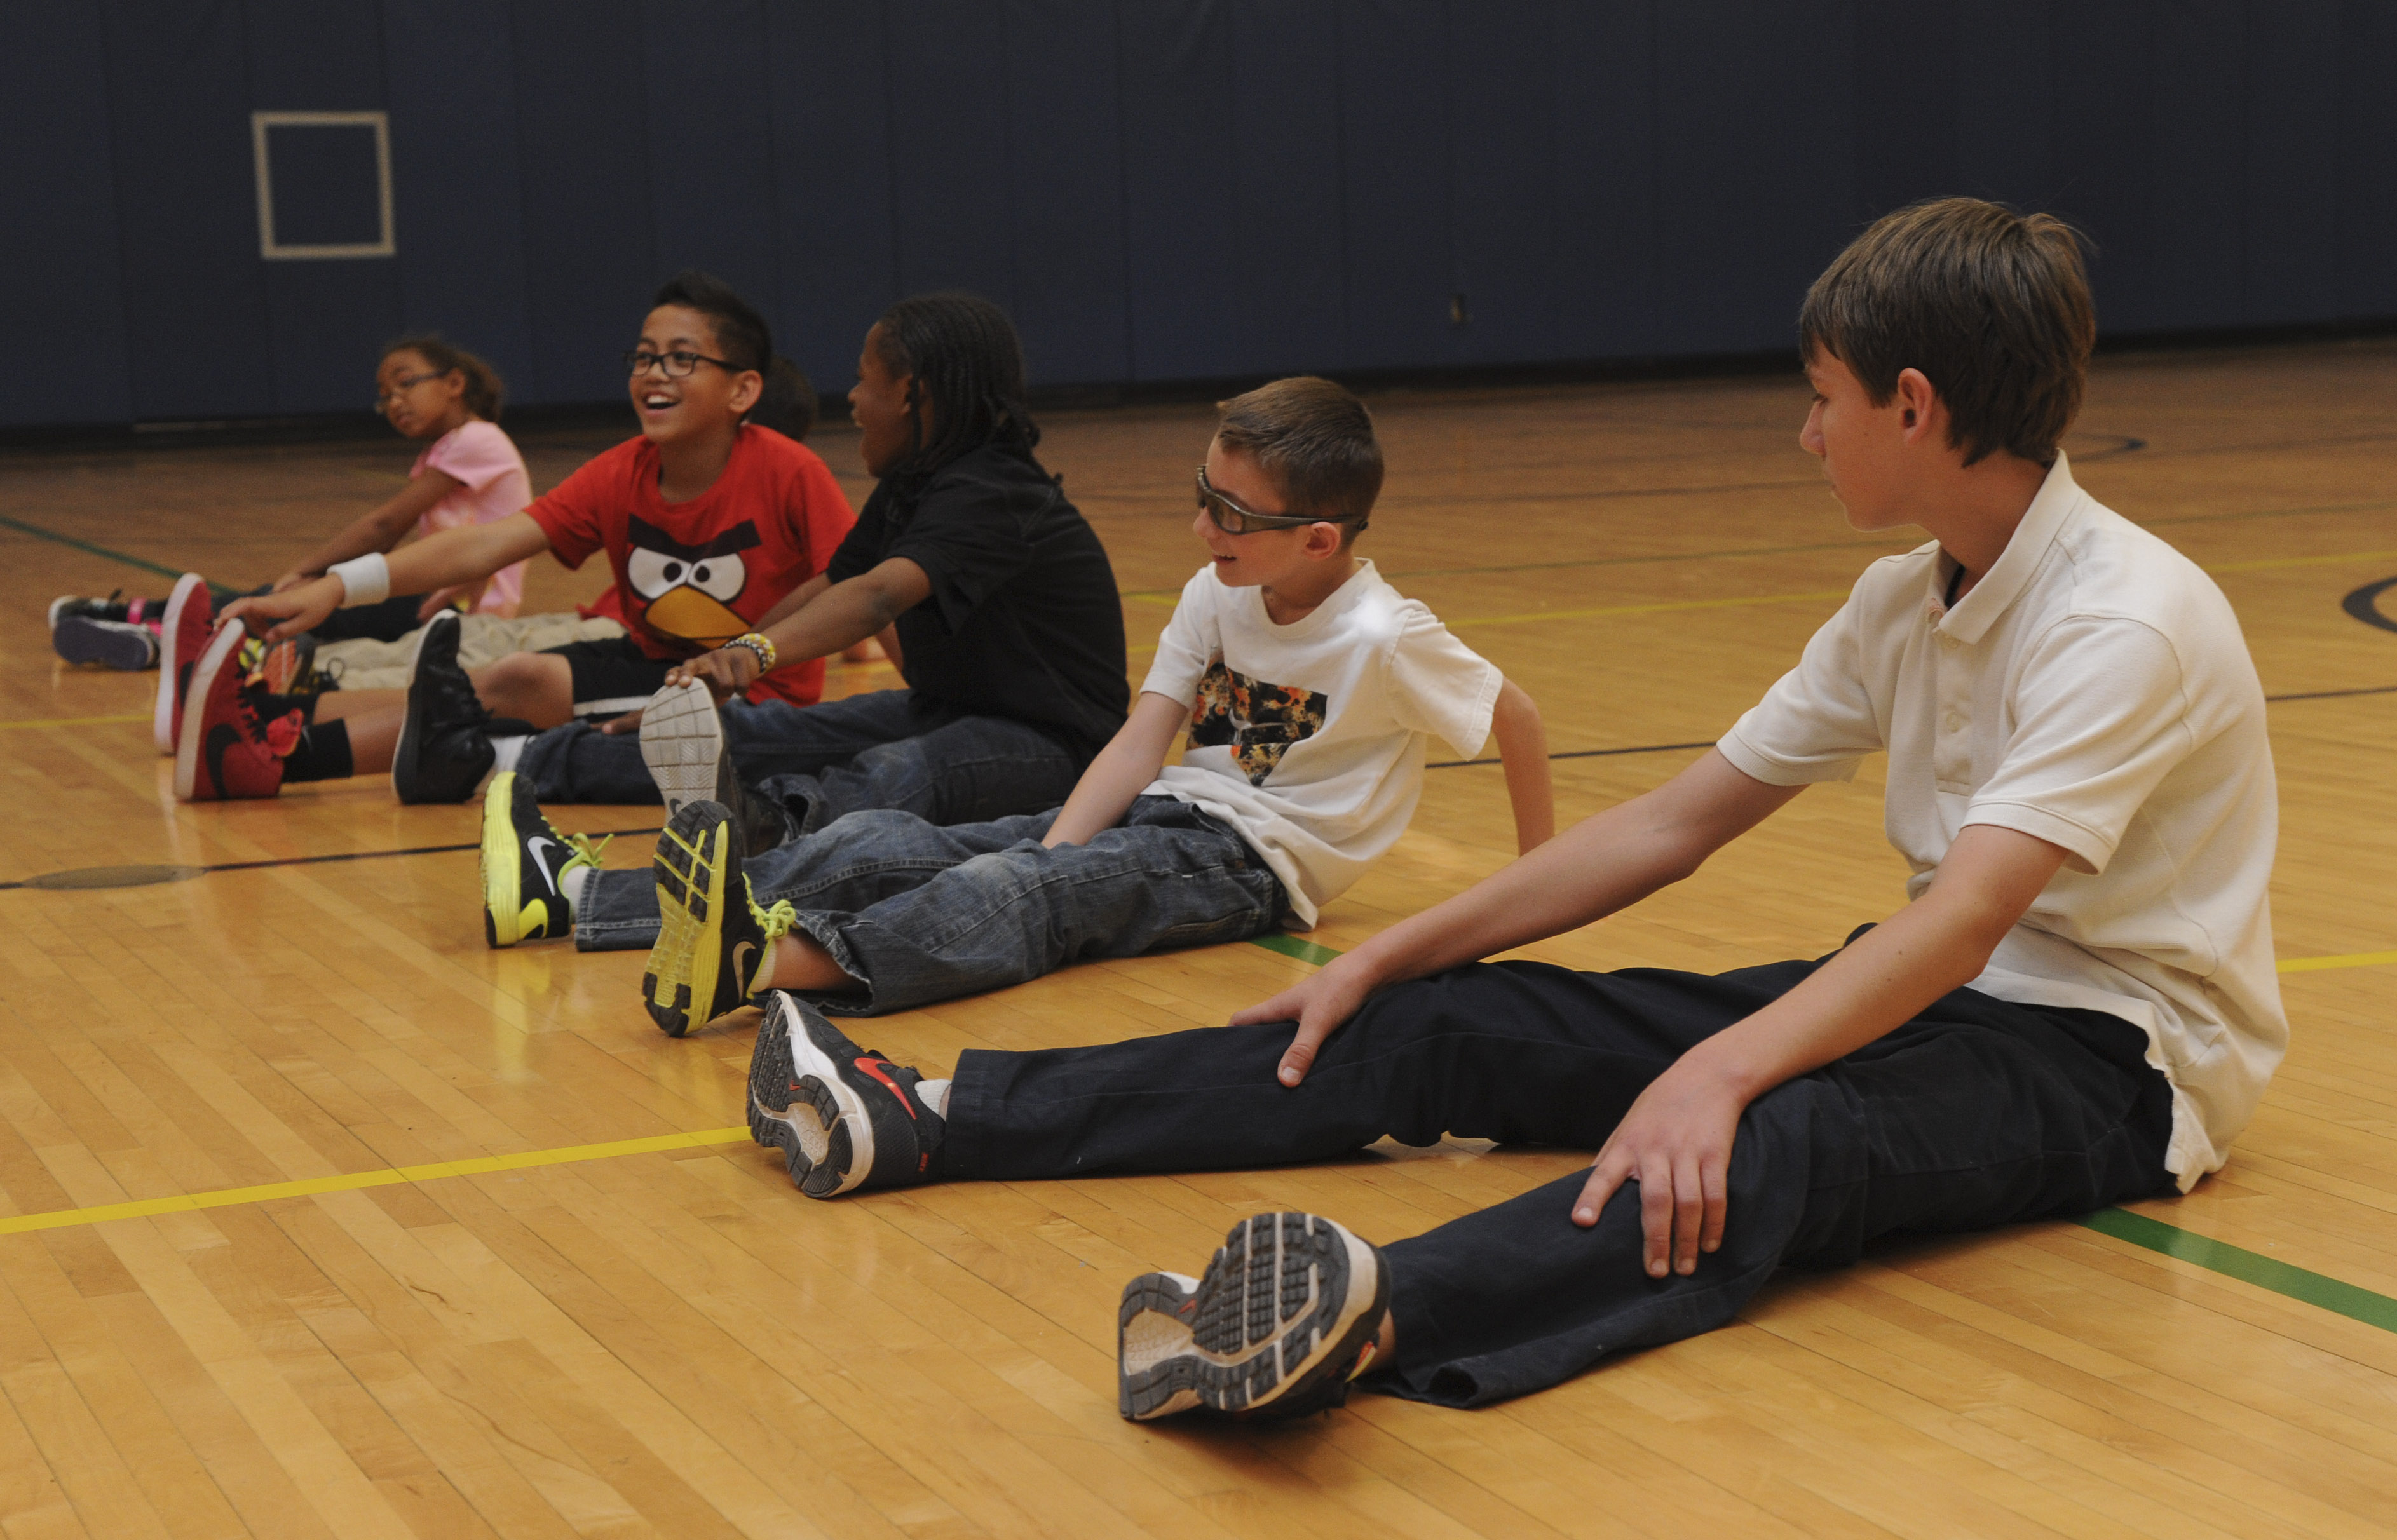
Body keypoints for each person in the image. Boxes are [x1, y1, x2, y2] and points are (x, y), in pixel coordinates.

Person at [717, 199, 2283, 1424]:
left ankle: (1359, 1314)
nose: (1803, 431)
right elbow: (1669, 825)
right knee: (1421, 1027)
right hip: (1941, 993)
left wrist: (1713, 1071)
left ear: (1915, 405)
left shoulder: (2120, 620)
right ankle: (929, 1114)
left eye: (1819, 399)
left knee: (1760, 1135)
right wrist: (1389, 957)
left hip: (2113, 1057)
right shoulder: (1899, 598)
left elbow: (1964, 922)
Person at [588, 374, 1552, 1036]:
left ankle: (756, 966)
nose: (1200, 525)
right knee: (905, 838)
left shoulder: (1387, 632)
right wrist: (1054, 845)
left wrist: (1538, 882)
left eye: (1230, 515)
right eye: (1202, 494)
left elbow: (1517, 716)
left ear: (1317, 539)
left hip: (1249, 867)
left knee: (1020, 900)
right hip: (1165, 806)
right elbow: (1141, 741)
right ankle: (652, 904)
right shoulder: (1214, 589)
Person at [479, 293, 1132, 950]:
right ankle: (498, 756)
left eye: (862, 379)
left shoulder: (995, 491)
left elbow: (875, 597)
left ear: (910, 393)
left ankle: (623, 879)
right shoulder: (915, 485)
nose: (850, 399)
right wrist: (720, 665)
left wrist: (753, 653)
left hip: (1057, 749)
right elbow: (831, 583)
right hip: (952, 710)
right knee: (760, 734)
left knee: (894, 776)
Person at [191, 271, 853, 804]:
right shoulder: (621, 470)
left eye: (682, 360)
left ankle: (275, 761)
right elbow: (487, 543)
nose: (654, 373)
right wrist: (337, 587)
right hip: (656, 662)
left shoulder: (789, 471)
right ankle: (262, 718)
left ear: (742, 390)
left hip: (749, 698)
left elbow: (859, 583)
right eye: (645, 357)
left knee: (514, 683)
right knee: (481, 686)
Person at [48, 335, 530, 709]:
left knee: (289, 605)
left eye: (406, 383)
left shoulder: (478, 440)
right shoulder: (446, 448)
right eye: (384, 396)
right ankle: (147, 629)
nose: (395, 401)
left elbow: (384, 526)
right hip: (434, 596)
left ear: (454, 384)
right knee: (299, 614)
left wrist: (307, 570)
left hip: (459, 609)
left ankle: (141, 624)